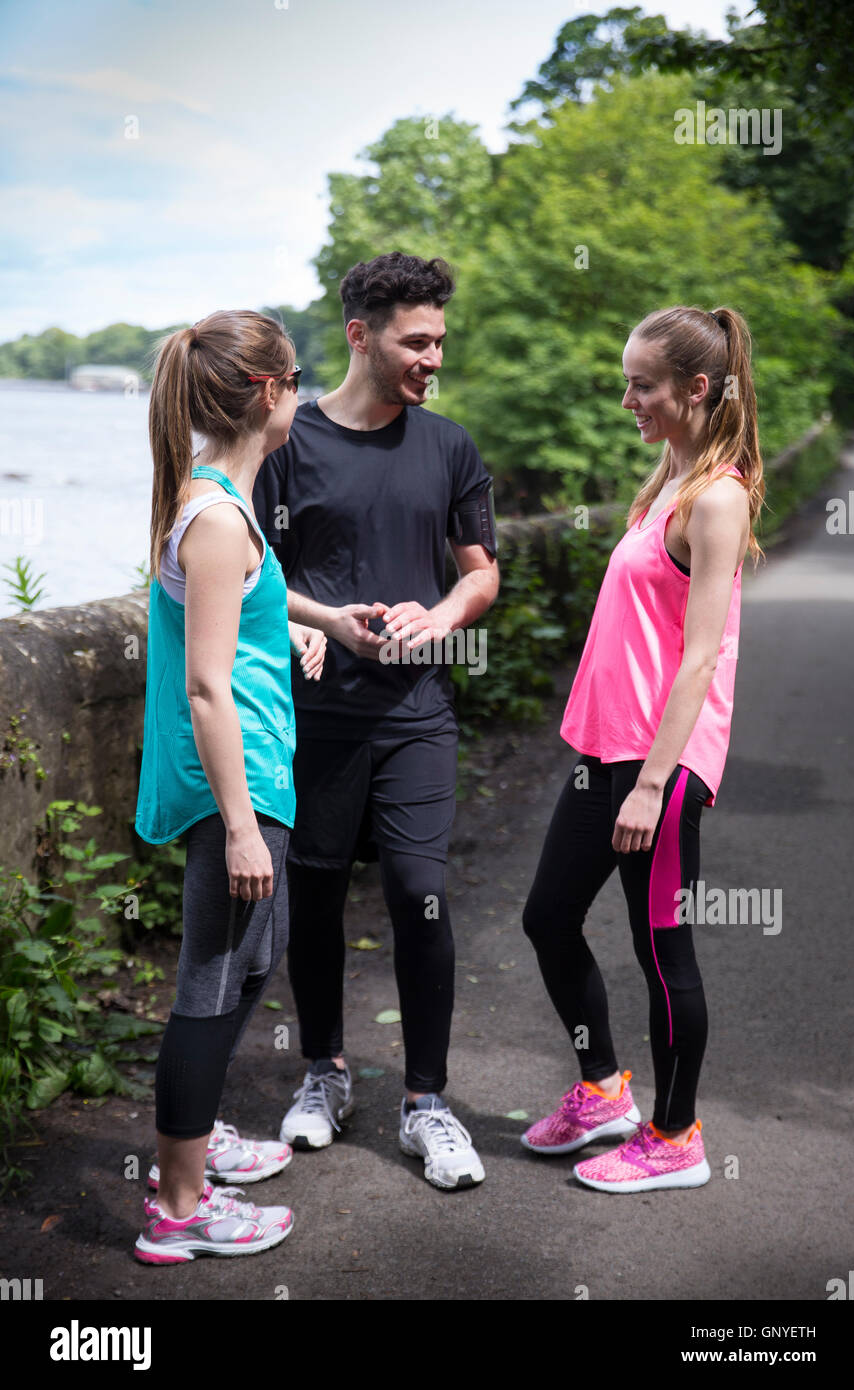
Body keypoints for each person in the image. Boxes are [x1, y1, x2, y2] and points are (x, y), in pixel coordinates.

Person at [253, 252, 499, 1190]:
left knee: (415, 889)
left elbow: (480, 569)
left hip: (415, 712)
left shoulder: (449, 448)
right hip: (311, 716)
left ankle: (427, 1103)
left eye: (439, 340)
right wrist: (309, 628)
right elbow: (252, 573)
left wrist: (442, 615)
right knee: (310, 896)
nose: (433, 356)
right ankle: (324, 1072)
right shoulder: (287, 446)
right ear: (360, 335)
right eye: (417, 340)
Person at [521, 305, 764, 1192]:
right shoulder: (669, 474)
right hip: (608, 749)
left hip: (659, 765)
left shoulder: (720, 496)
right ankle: (603, 1090)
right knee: (548, 917)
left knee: (663, 948)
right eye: (627, 380)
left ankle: (675, 1136)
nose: (629, 397)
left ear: (696, 388)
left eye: (643, 384)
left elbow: (701, 655)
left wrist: (652, 785)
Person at [133, 309, 329, 1261]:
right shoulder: (214, 516)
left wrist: (294, 627)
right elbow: (208, 686)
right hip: (235, 785)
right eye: (297, 379)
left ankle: (197, 1139)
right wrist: (243, 829)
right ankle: (178, 1207)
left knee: (258, 953)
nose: (304, 393)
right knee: (210, 980)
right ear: (268, 393)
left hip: (258, 772)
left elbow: (230, 622)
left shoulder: (218, 502)